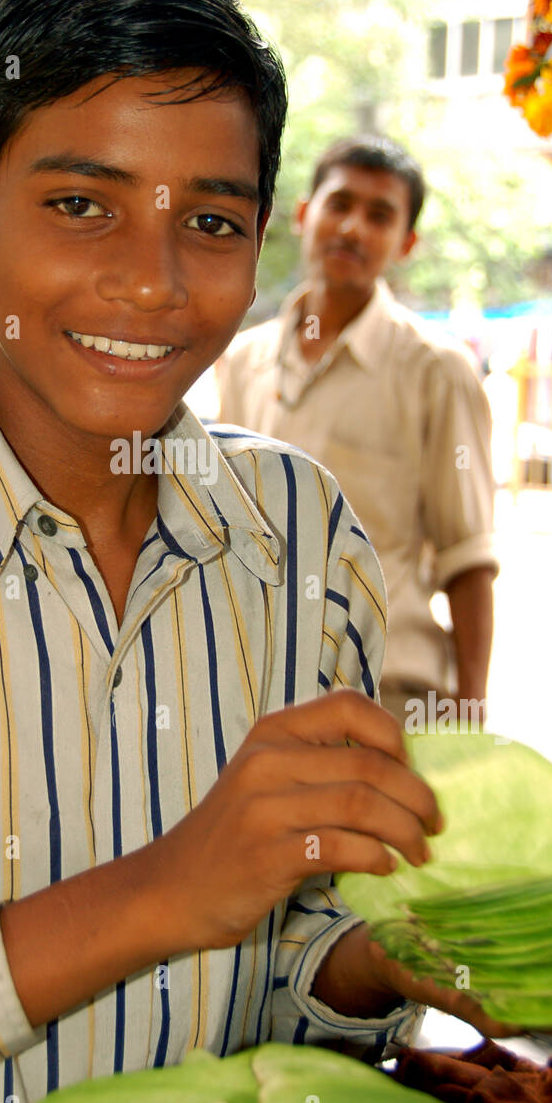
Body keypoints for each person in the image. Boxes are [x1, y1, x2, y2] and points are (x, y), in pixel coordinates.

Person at [0, 0, 509, 1103]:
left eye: (208, 220)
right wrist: (156, 894)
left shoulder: (302, 535)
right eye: (81, 205)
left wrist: (388, 960)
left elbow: (286, 961)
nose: (151, 281)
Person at [216, 137, 498, 733]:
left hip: (387, 693)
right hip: (257, 694)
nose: (352, 228)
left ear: (407, 243)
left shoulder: (436, 370)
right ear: (301, 213)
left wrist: (471, 724)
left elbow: (468, 558)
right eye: (339, 203)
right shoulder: (241, 361)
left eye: (380, 215)